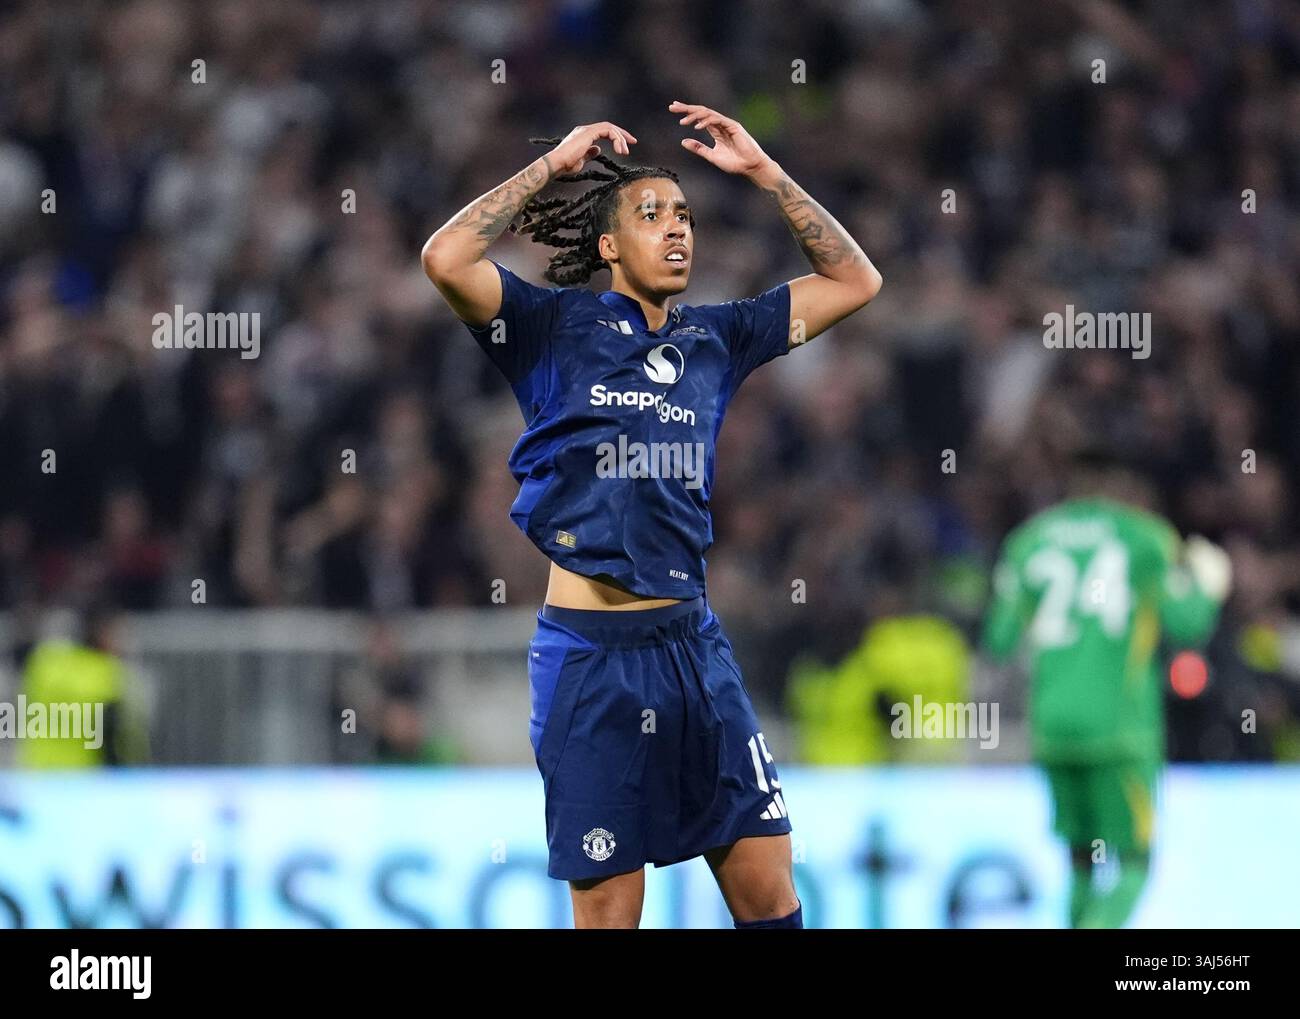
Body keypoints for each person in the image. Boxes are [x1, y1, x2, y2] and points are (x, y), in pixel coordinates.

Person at [421, 103, 882, 928]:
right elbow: (445, 255)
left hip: (695, 650)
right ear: (606, 245)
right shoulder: (548, 328)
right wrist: (552, 167)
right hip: (591, 661)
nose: (677, 231)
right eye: (651, 214)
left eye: (686, 217)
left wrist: (769, 176)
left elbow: (857, 281)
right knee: (609, 915)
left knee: (771, 895)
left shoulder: (720, 337)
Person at [982, 451, 1232, 927]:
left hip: (1054, 728)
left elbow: (998, 640)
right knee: (1135, 862)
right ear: (1122, 485)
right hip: (1119, 730)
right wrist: (1208, 582)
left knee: (1080, 863)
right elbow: (1187, 623)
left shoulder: (1028, 542)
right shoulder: (1145, 537)